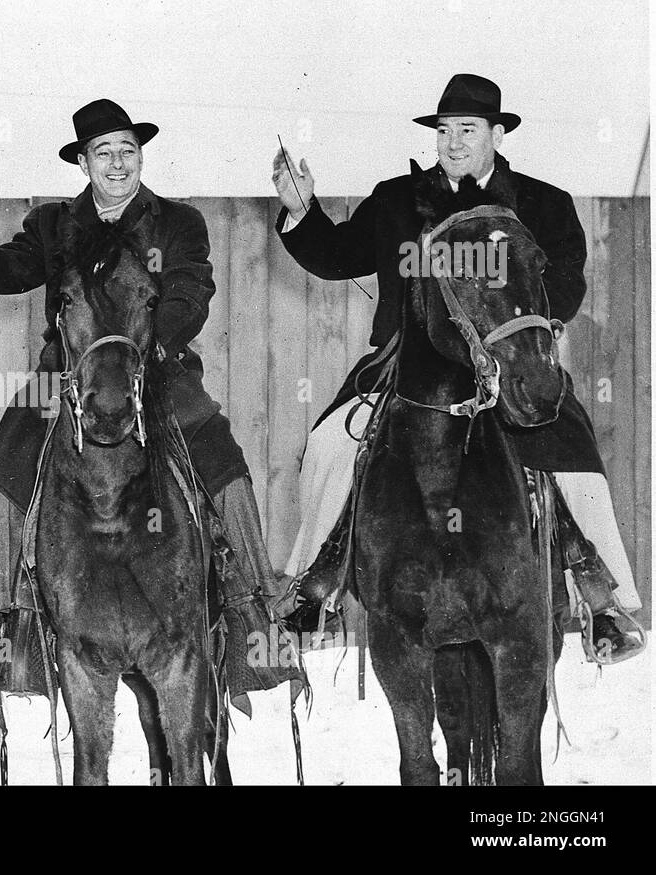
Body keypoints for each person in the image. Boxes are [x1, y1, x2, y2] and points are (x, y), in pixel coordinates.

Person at [273, 73, 644, 663]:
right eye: (444, 131)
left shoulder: (545, 205)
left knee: (572, 447)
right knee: (328, 445)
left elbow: (566, 288)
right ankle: (314, 590)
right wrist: (301, 212)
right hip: (405, 367)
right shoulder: (397, 201)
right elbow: (338, 255)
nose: (452, 142)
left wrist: (516, 326)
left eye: (467, 130)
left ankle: (602, 598)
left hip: (510, 359)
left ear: (496, 134)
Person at [0, 98, 299, 692]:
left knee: (222, 463)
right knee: (4, 469)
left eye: (127, 151)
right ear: (83, 162)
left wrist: (147, 352)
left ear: (140, 157)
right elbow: (3, 273)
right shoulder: (53, 225)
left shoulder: (178, 223)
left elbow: (190, 292)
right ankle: (9, 627)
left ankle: (257, 610)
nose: (117, 163)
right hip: (64, 377)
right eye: (103, 153)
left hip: (155, 368)